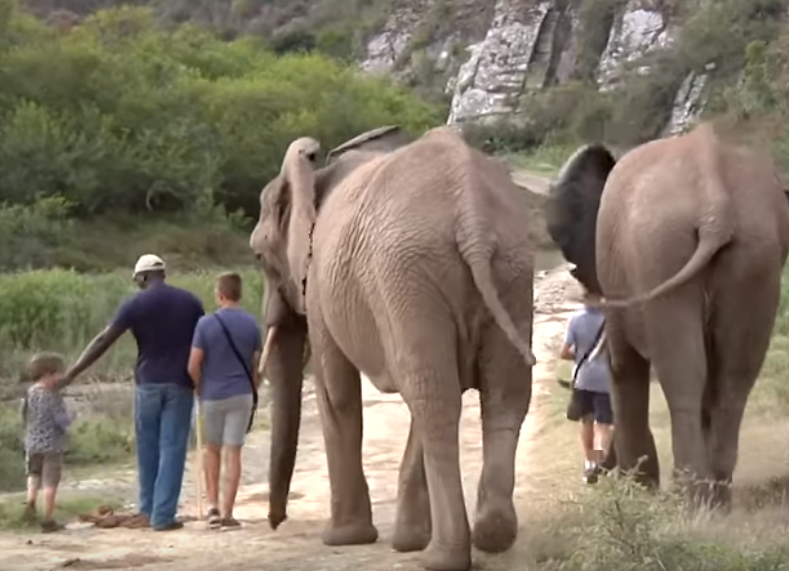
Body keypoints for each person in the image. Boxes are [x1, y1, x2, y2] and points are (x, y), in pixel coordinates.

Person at [55, 254, 205, 531]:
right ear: (163, 273)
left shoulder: (135, 304)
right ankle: (162, 516)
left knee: (148, 449)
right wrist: (203, 377)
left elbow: (103, 340)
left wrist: (73, 372)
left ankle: (147, 510)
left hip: (147, 383)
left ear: (143, 277)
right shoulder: (191, 302)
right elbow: (204, 341)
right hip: (181, 383)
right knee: (173, 448)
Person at [188, 272, 261, 529]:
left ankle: (212, 507)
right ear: (239, 294)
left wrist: (199, 388)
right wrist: (253, 390)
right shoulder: (251, 324)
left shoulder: (205, 324)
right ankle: (229, 511)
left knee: (212, 450)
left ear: (220, 295)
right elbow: (255, 367)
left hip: (212, 395)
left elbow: (193, 364)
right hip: (241, 394)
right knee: (234, 453)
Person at [560, 287, 614, 485]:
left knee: (587, 423)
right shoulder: (611, 319)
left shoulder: (576, 319)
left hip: (583, 379)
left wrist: (581, 357)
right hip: (607, 380)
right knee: (604, 425)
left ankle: (589, 464)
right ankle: (600, 462)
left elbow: (564, 353)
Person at [21, 352, 75, 532]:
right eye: (59, 373)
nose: (61, 377)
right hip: (52, 445)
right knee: (51, 481)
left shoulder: (30, 392)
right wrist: (71, 419)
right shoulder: (53, 396)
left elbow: (24, 414)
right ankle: (48, 519)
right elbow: (61, 421)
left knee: (33, 475)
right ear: (48, 373)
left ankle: (30, 504)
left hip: (32, 442)